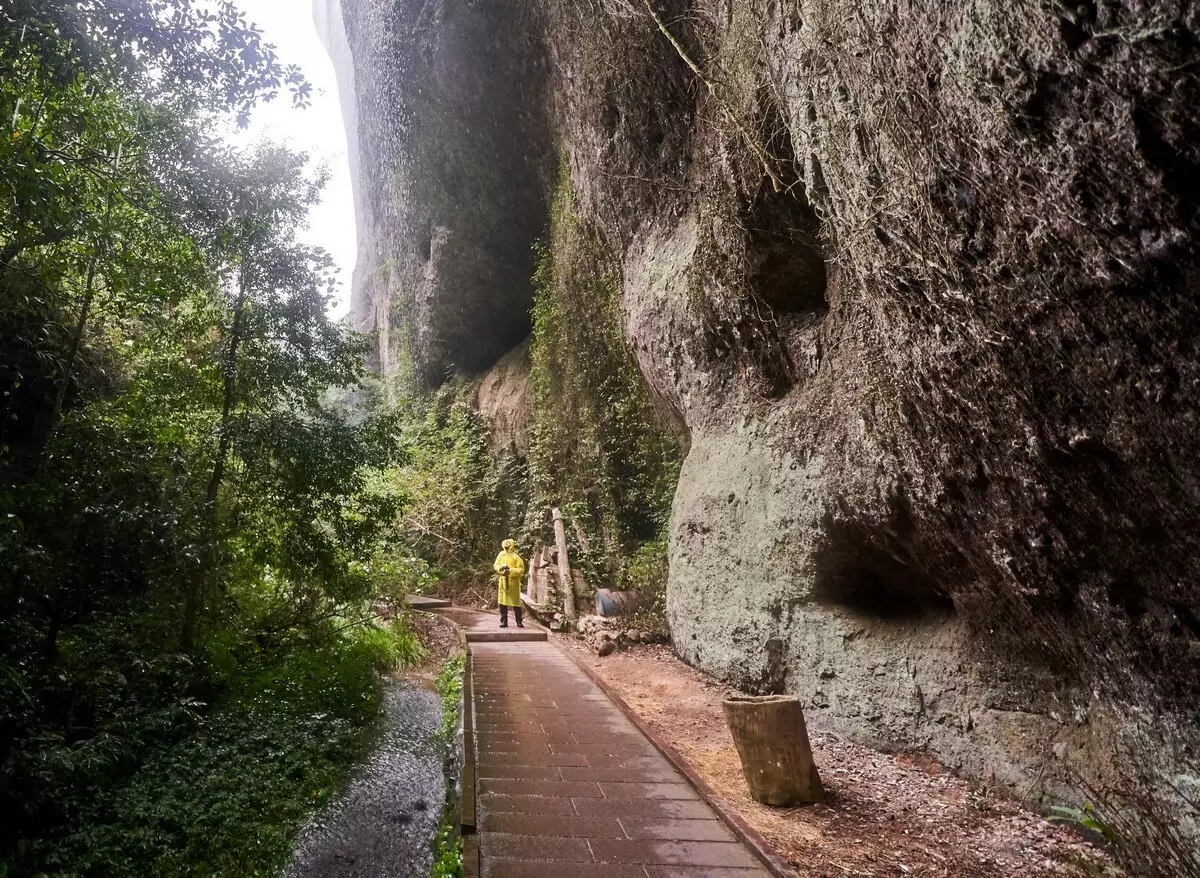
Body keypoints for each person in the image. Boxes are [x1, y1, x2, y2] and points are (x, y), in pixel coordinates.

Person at [493, 538, 525, 628]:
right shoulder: (501, 555)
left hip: (513, 583)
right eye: (505, 546)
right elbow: (496, 565)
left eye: (508, 545)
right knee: (502, 603)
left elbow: (521, 570)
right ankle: (504, 621)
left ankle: (519, 621)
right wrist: (501, 568)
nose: (507, 547)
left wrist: (510, 571)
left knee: (516, 603)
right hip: (503, 582)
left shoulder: (516, 557)